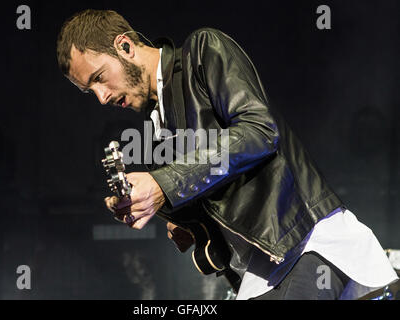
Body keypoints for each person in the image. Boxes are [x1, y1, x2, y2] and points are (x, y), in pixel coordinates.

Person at [56, 9, 398, 299]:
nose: (101, 97)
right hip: (258, 272)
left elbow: (259, 132)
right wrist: (175, 215)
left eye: (100, 78)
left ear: (125, 45)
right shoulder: (157, 129)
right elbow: (218, 190)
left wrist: (164, 184)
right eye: (90, 91)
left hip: (306, 243)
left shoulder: (202, 52)